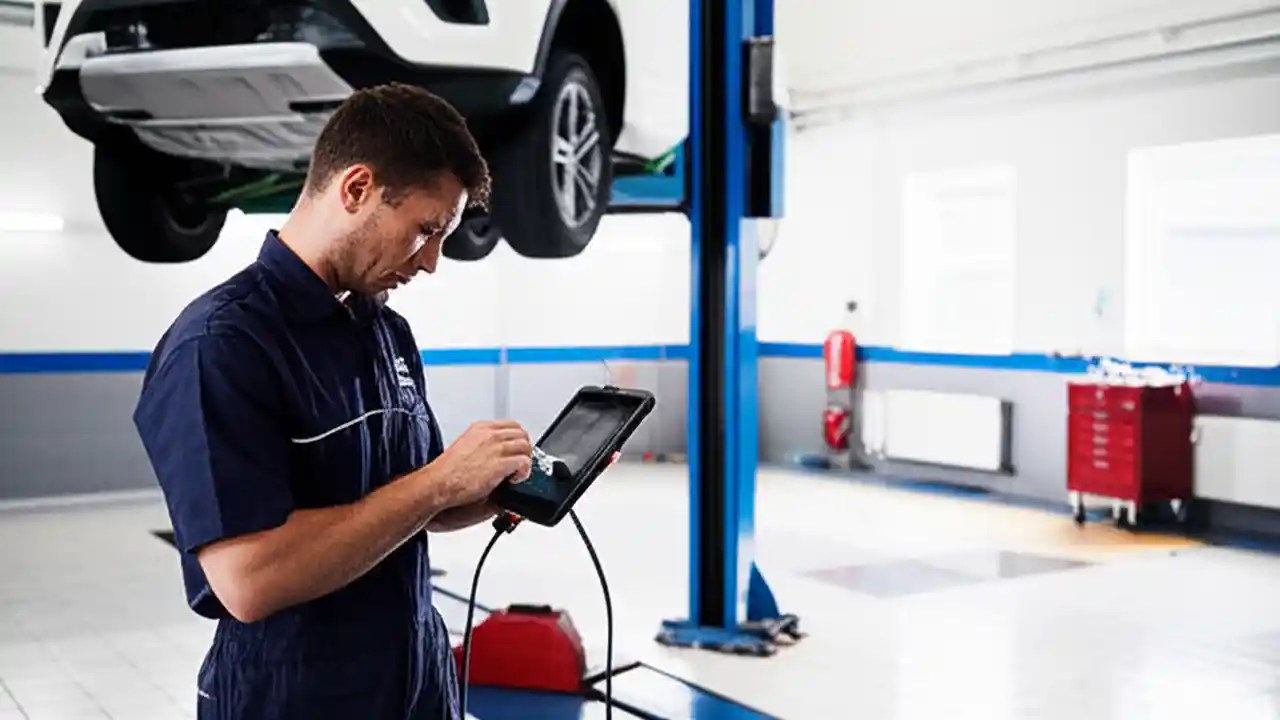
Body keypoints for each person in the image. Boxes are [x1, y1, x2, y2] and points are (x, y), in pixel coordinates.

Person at [132, 83, 533, 719]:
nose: (430, 263)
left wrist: (502, 488)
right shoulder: (221, 345)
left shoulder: (383, 329)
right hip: (295, 696)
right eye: (425, 231)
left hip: (414, 679)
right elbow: (249, 580)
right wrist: (437, 482)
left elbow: (412, 507)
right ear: (355, 190)